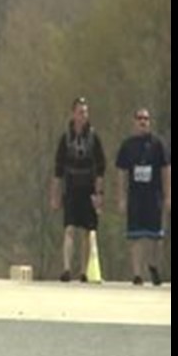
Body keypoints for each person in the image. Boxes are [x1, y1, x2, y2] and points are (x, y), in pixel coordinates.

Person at [50, 97, 106, 282]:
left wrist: (98, 194)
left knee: (88, 231)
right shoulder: (65, 138)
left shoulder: (93, 137)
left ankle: (84, 271)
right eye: (80, 112)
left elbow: (100, 168)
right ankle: (66, 268)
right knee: (69, 229)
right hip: (72, 189)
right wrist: (55, 196)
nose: (84, 115)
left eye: (86, 112)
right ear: (73, 113)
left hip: (89, 189)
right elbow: (58, 170)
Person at [115, 107, 171, 285]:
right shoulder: (127, 146)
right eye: (139, 118)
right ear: (134, 122)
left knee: (155, 236)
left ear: (149, 122)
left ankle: (153, 265)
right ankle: (137, 274)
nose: (143, 121)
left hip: (153, 196)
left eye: (146, 118)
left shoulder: (158, 144)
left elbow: (166, 170)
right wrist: (121, 197)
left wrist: (168, 194)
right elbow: (121, 172)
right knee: (136, 236)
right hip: (135, 197)